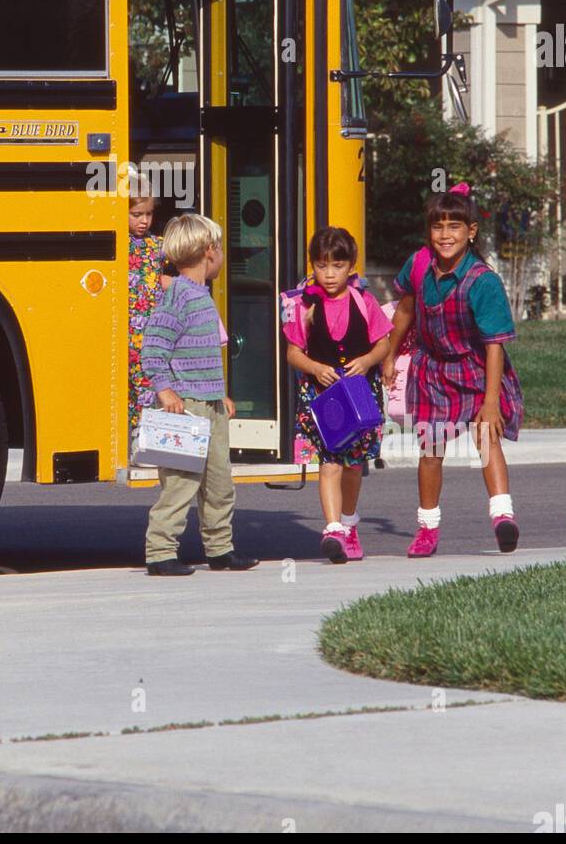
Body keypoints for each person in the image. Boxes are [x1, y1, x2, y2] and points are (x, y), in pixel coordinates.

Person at [383, 183, 523, 557]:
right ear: (429, 231)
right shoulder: (418, 265)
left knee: (486, 437)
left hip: (475, 368)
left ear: (471, 232)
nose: (445, 235)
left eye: (455, 227)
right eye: (438, 227)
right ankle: (427, 527)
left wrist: (490, 402)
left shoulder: (483, 282)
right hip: (432, 370)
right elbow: (405, 312)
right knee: (430, 449)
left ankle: (502, 517)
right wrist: (389, 355)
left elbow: (494, 346)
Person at [141, 213, 258, 576]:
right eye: (220, 249)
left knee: (219, 482)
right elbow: (153, 349)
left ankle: (220, 548)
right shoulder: (178, 295)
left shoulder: (201, 296)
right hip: (185, 410)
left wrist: (219, 395)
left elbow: (201, 356)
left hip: (209, 404)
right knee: (180, 483)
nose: (222, 256)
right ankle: (160, 551)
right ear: (209, 252)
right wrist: (165, 390)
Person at [283, 226, 392, 563]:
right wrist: (315, 368)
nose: (329, 274)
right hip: (323, 396)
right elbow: (293, 353)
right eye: (321, 265)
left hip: (359, 394)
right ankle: (332, 530)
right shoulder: (304, 305)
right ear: (313, 266)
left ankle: (349, 521)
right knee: (329, 463)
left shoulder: (364, 301)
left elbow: (383, 342)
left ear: (351, 266)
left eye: (337, 266)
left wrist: (370, 360)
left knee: (354, 465)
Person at [128, 182, 172, 438]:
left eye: (148, 214)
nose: (144, 221)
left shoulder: (157, 245)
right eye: (136, 215)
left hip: (151, 328)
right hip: (126, 327)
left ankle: (144, 433)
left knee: (147, 378)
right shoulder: (118, 245)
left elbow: (183, 251)